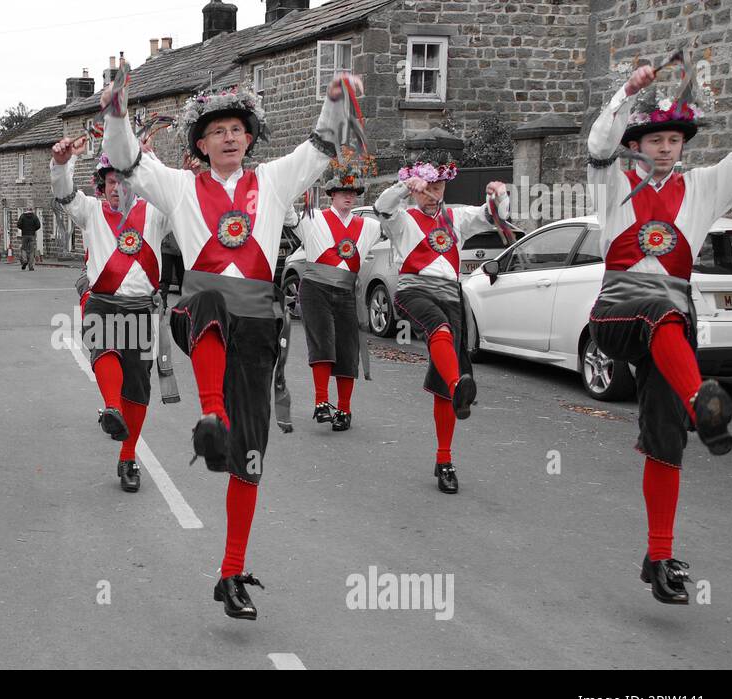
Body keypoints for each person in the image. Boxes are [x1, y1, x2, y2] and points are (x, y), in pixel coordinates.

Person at [101, 69, 356, 620]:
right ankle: (210, 416)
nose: (230, 137)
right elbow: (127, 161)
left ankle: (231, 573)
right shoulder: (179, 186)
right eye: (218, 130)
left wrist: (335, 100)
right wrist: (116, 114)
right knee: (210, 303)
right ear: (200, 142)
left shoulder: (276, 180)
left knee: (251, 455)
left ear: (250, 136)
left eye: (238, 128)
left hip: (260, 324)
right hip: (201, 313)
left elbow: (321, 145)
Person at [586, 64, 732, 604]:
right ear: (637, 144)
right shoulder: (615, 182)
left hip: (673, 328)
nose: (665, 148)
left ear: (683, 144)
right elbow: (598, 143)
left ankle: (659, 559)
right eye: (655, 139)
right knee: (660, 309)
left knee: (665, 440)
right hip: (616, 311)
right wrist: (625, 94)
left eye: (673, 140)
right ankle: (700, 396)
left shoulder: (702, 187)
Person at [373, 154, 509, 495]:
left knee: (444, 385)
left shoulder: (456, 217)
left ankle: (444, 459)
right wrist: (406, 186)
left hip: (451, 294)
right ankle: (457, 383)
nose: (432, 192)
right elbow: (382, 204)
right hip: (413, 288)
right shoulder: (403, 219)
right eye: (426, 186)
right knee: (439, 331)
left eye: (438, 185)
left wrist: (497, 195)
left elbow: (491, 216)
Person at [52, 137, 170, 492]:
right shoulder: (90, 210)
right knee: (103, 350)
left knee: (138, 386)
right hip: (103, 302)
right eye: (111, 182)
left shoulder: (155, 213)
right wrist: (61, 163)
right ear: (101, 186)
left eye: (125, 180)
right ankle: (110, 407)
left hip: (141, 308)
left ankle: (127, 456)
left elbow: (179, 195)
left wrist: (153, 160)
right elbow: (63, 191)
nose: (118, 188)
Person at [290, 155, 382, 431]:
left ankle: (344, 409)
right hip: (315, 289)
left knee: (346, 349)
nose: (348, 197)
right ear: (331, 194)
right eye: (343, 192)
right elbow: (286, 213)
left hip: (345, 291)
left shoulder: (369, 226)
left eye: (352, 192)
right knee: (322, 343)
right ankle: (321, 402)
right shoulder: (312, 217)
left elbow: (391, 217)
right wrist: (298, 180)